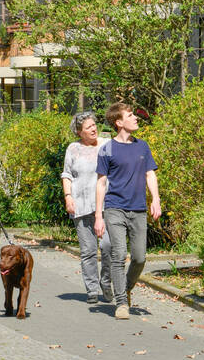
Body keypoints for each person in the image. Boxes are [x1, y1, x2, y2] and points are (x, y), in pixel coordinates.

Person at [94, 101, 160, 319]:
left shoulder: (142, 146)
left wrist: (156, 199)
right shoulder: (107, 149)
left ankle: (126, 287)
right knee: (119, 254)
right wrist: (98, 216)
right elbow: (101, 183)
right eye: (131, 115)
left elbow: (150, 174)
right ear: (118, 122)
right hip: (115, 208)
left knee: (140, 258)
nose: (136, 118)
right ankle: (121, 302)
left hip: (138, 209)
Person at [61, 110, 114, 305]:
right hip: (81, 205)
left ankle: (106, 282)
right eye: (88, 127)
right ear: (79, 132)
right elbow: (67, 175)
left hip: (107, 205)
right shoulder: (73, 149)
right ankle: (92, 289)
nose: (93, 128)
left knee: (109, 246)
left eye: (94, 125)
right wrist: (68, 197)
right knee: (88, 251)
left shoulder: (107, 144)